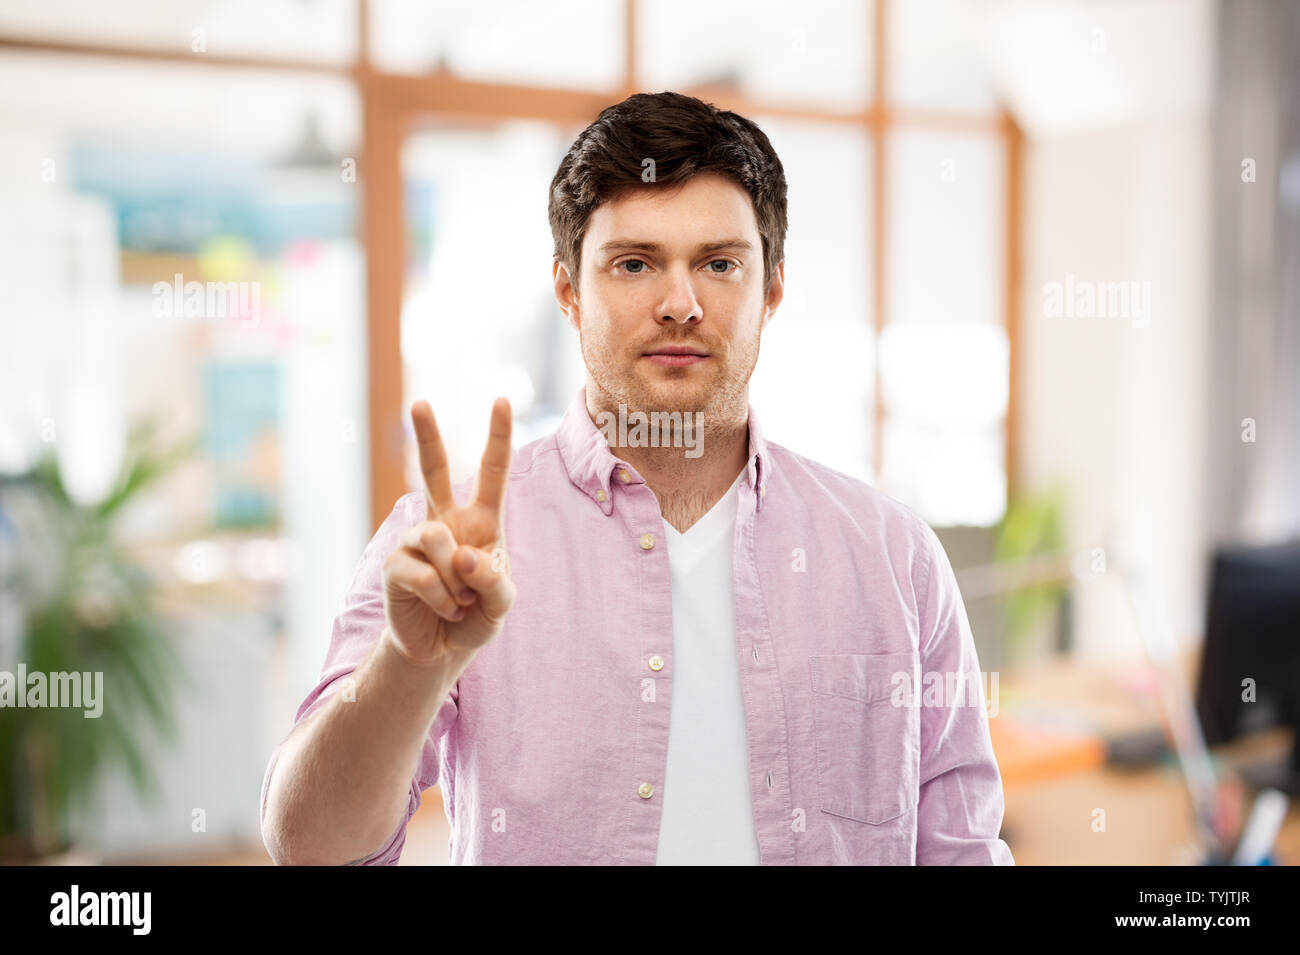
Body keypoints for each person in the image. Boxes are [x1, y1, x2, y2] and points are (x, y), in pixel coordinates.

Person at [260, 90, 1014, 866]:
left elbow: (961, 851)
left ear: (772, 290)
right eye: (634, 263)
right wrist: (409, 666)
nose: (680, 303)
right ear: (568, 292)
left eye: (719, 264)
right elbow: (309, 844)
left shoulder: (896, 558)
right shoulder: (445, 549)